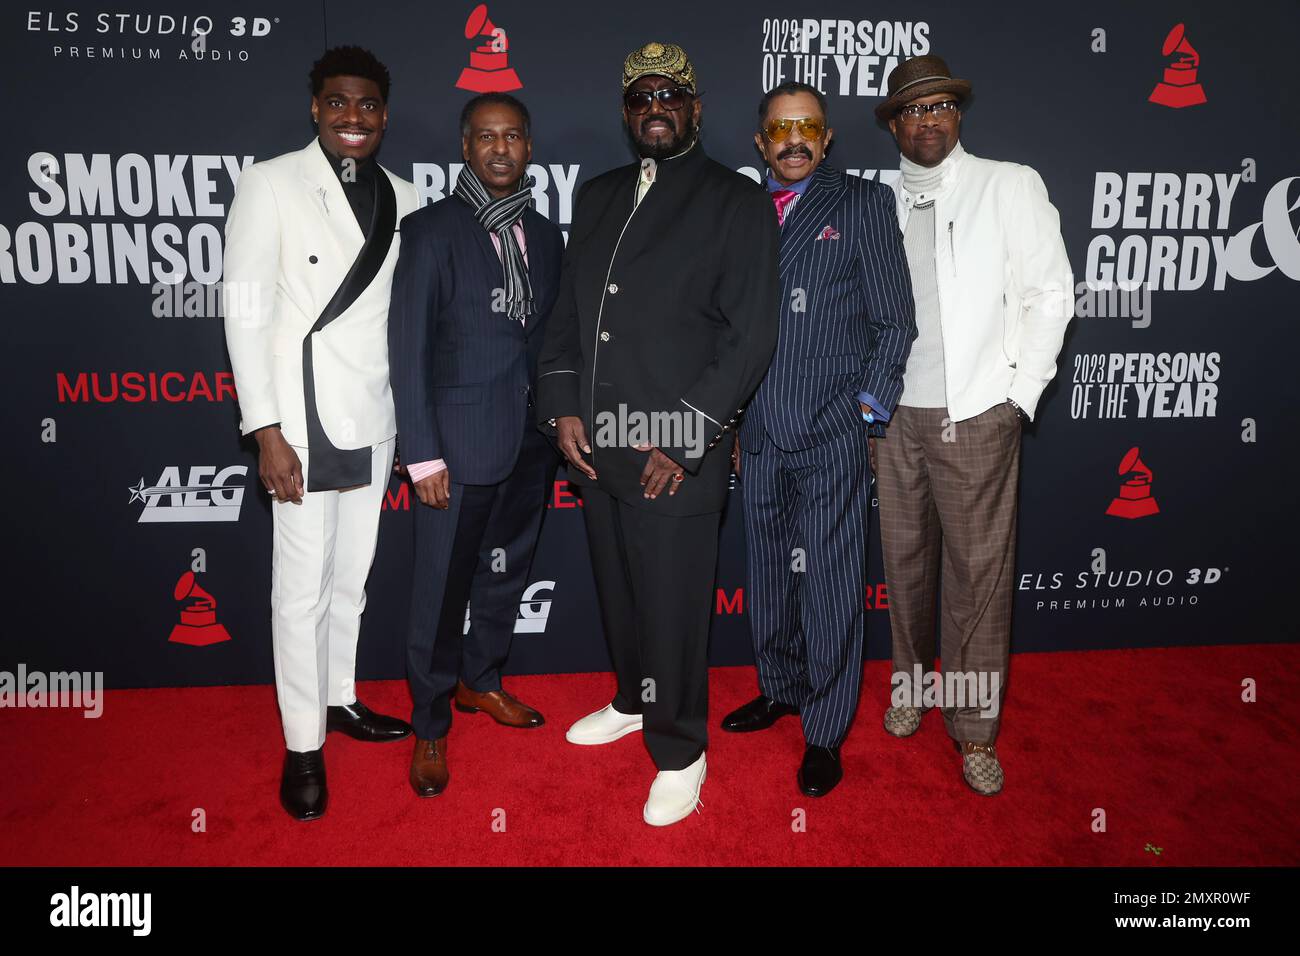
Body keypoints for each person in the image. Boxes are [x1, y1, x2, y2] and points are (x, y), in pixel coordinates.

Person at [536, 41, 780, 826]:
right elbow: (572, 315)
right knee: (619, 590)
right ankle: (635, 701)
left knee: (673, 604)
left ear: (696, 109)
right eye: (640, 97)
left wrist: (686, 437)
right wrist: (563, 406)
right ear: (626, 112)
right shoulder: (598, 192)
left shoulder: (734, 200)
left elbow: (749, 337)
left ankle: (681, 751)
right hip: (598, 444)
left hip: (674, 450)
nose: (655, 108)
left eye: (669, 96)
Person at [223, 45, 419, 821]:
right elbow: (244, 313)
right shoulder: (270, 183)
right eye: (338, 102)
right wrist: (264, 429)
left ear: (384, 113)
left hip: (371, 419)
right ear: (315, 107)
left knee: (350, 581)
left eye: (367, 105)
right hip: (299, 423)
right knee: (298, 593)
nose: (353, 117)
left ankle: (341, 699)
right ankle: (302, 744)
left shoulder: (404, 196)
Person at [872, 55, 1073, 795]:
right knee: (904, 567)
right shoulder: (877, 199)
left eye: (940, 108)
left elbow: (1050, 293)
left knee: (977, 581)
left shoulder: (1009, 184)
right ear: (893, 125)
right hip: (892, 416)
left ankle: (974, 731)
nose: (927, 121)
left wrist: (1017, 396)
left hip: (977, 414)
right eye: (912, 111)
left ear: (958, 117)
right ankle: (913, 688)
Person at [723, 81, 915, 797]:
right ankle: (780, 688)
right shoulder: (742, 210)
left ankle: (826, 730)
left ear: (827, 137)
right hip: (759, 426)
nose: (794, 139)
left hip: (832, 426)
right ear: (760, 141)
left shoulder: (863, 203)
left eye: (807, 126)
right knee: (768, 569)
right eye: (780, 129)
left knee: (832, 583)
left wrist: (867, 413)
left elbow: (894, 320)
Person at [388, 93, 564, 797]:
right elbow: (408, 346)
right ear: (465, 147)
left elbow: (549, 342)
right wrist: (423, 452)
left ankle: (480, 681)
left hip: (529, 441)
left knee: (505, 575)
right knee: (439, 591)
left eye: (513, 136)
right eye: (485, 137)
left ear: (529, 147)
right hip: (456, 450)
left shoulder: (546, 235)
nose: (500, 148)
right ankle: (430, 723)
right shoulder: (430, 231)